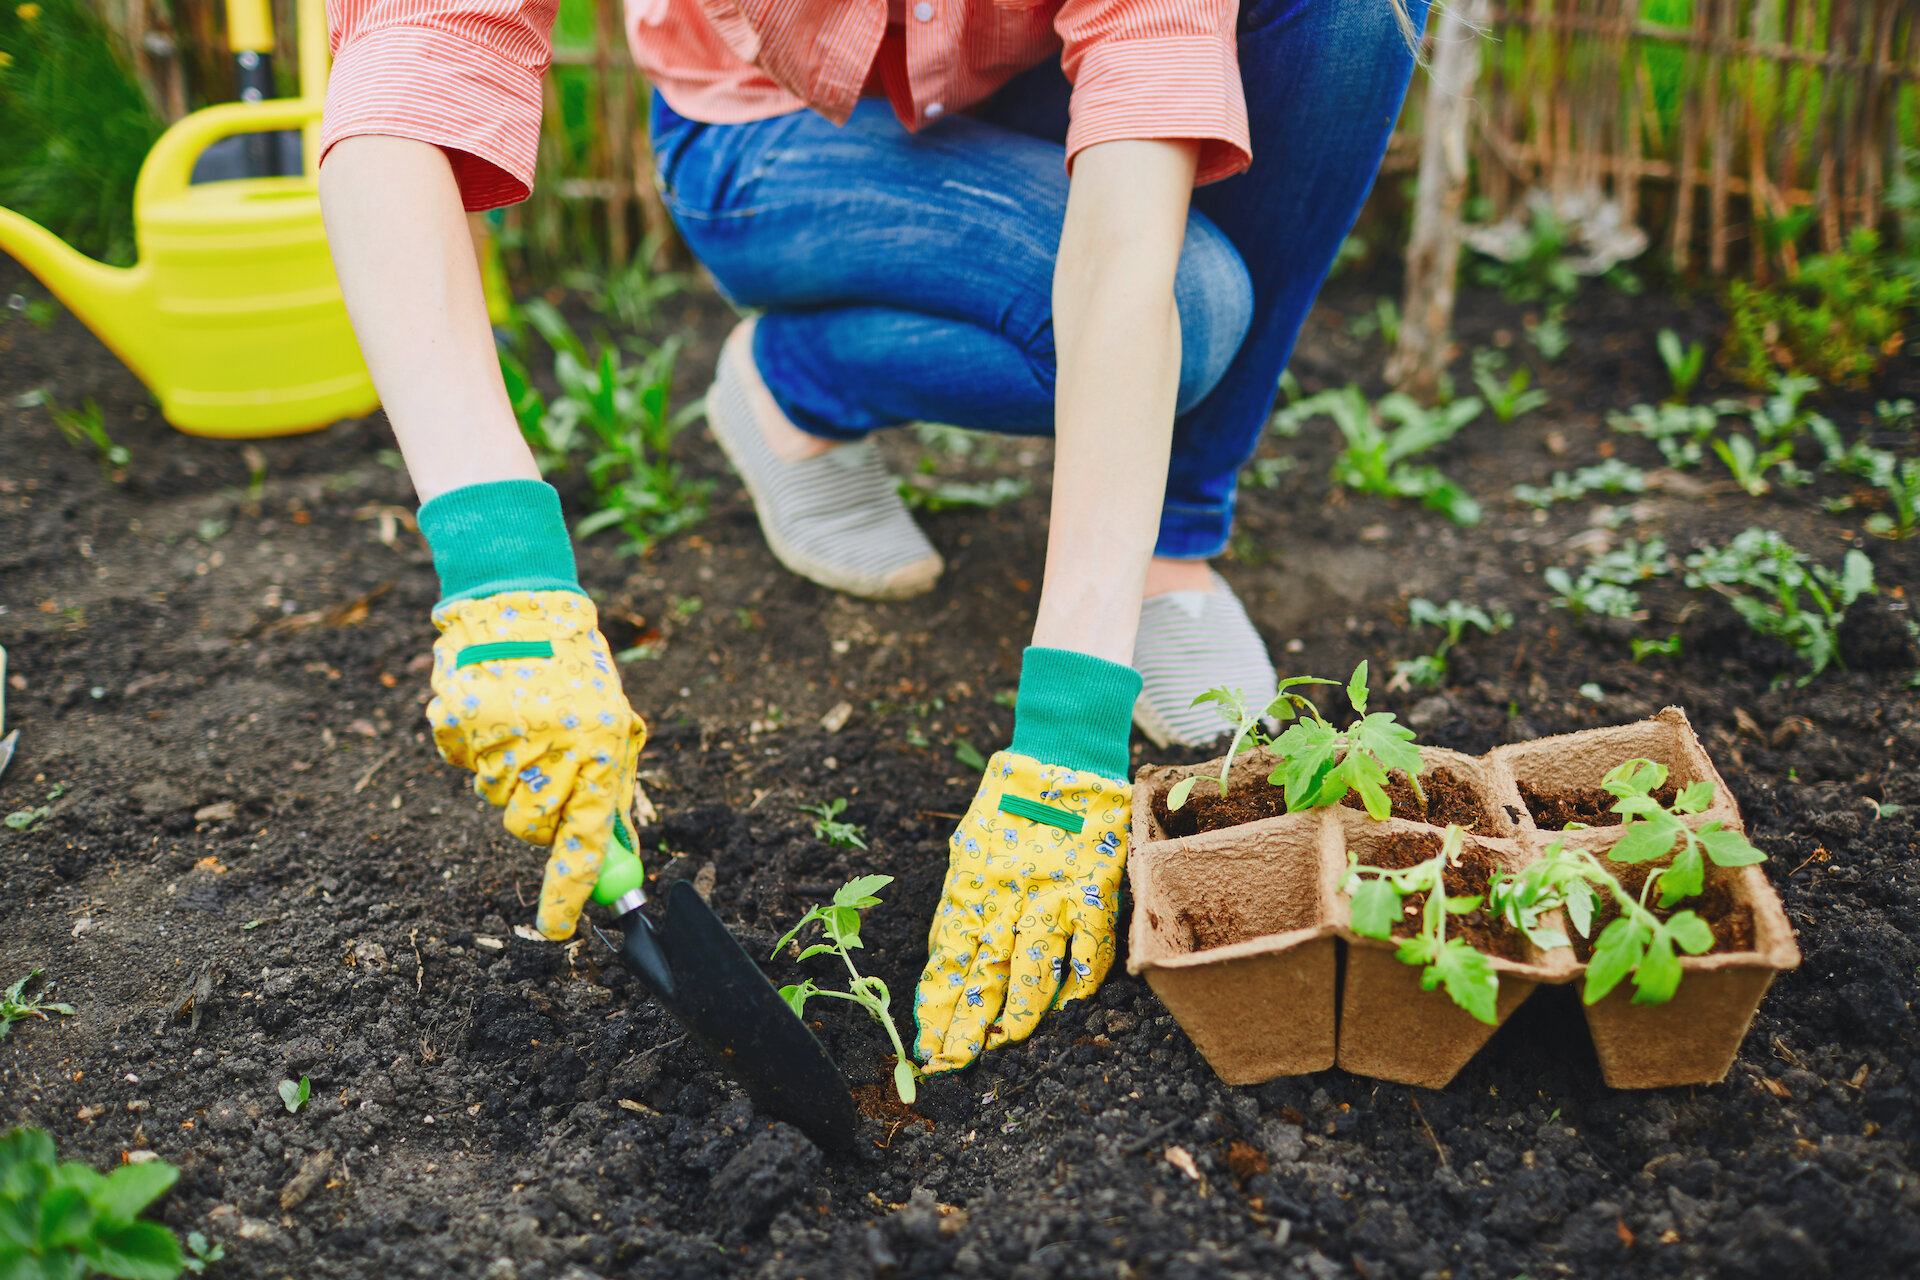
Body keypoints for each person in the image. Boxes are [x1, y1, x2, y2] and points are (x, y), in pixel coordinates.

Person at [316, 0, 1428, 1076]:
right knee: (1203, 302)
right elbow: (412, 53)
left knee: (1333, 36)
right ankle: (795, 384)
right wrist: (495, 561)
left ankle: (1164, 538)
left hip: (1023, 91)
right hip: (770, 136)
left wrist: (1069, 727)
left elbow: (1125, 246)